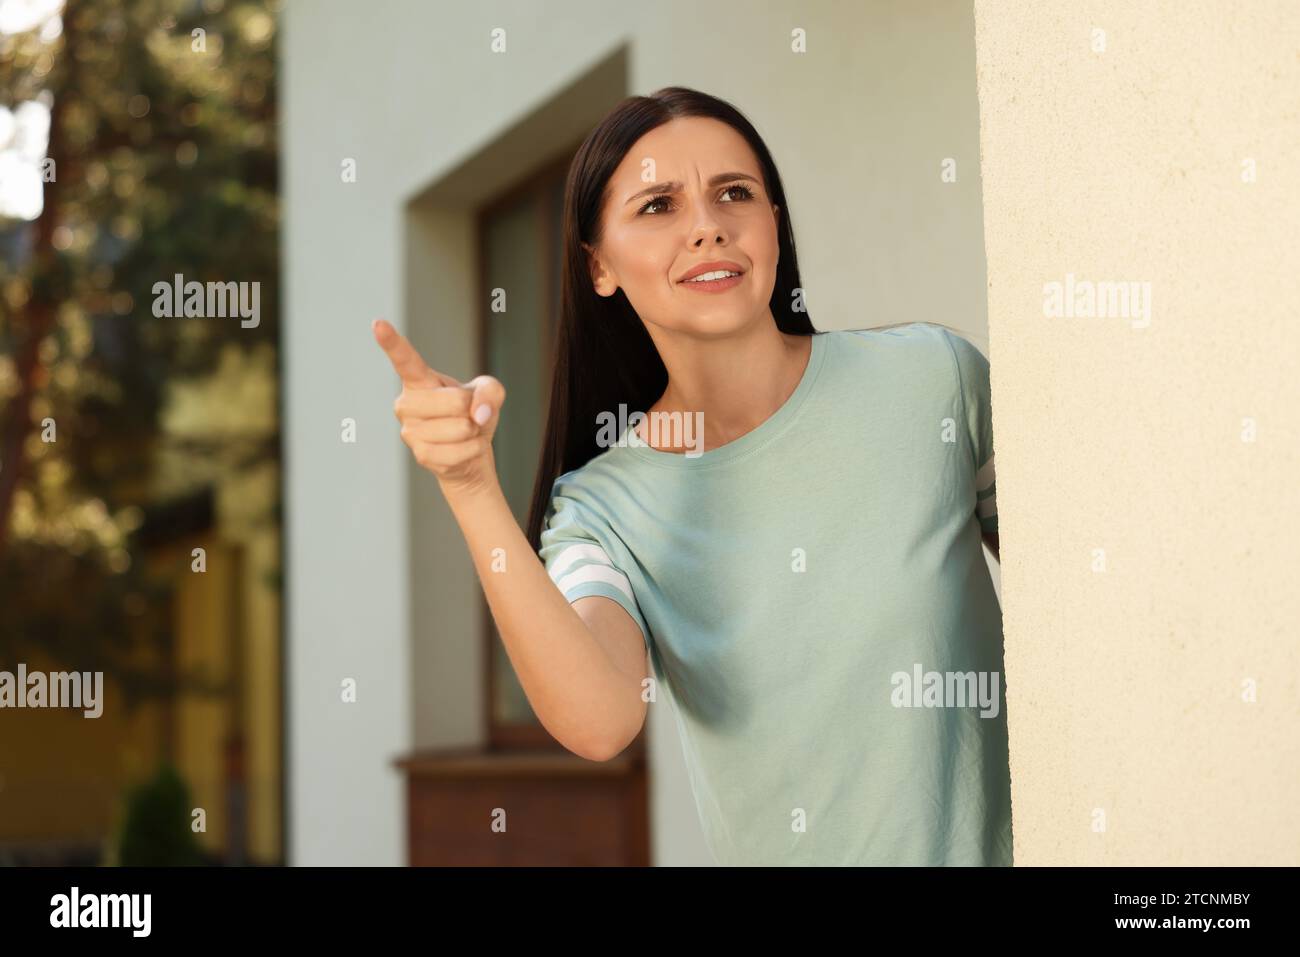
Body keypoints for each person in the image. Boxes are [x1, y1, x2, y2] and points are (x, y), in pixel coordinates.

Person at [373, 87, 1010, 867]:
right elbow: (600, 721)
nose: (707, 225)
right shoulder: (600, 508)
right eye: (658, 205)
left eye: (734, 194)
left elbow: (1085, 601)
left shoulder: (934, 381)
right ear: (598, 264)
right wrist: (470, 485)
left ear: (774, 221)